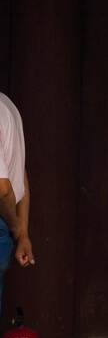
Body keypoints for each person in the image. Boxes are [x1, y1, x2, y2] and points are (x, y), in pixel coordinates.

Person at [0, 92, 34, 315]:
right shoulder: (6, 103)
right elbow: (20, 175)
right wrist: (23, 233)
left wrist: (15, 226)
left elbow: (3, 190)